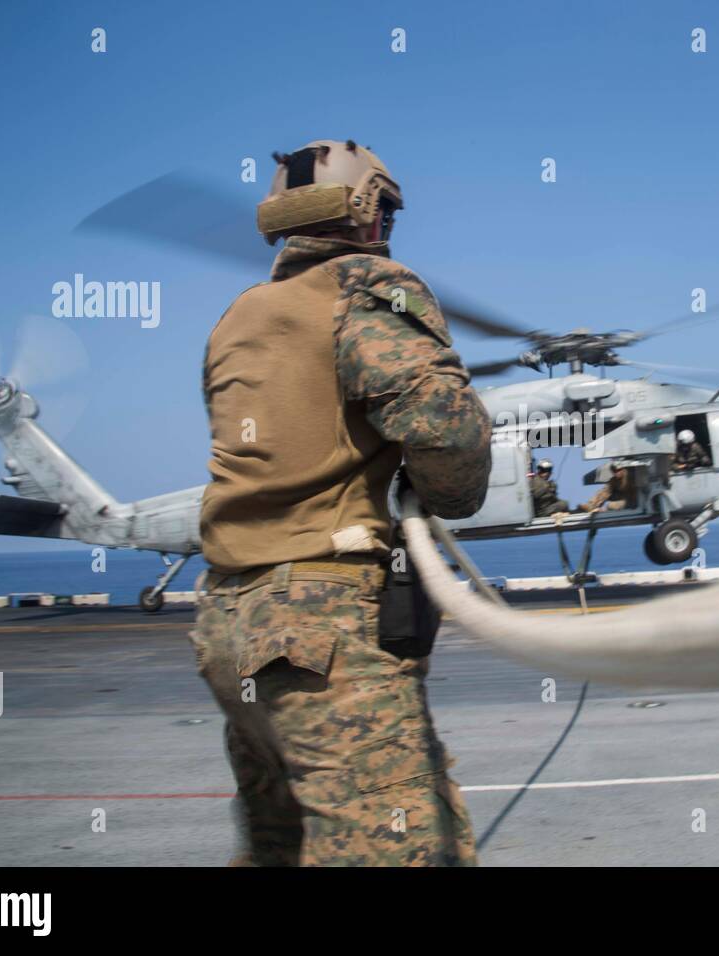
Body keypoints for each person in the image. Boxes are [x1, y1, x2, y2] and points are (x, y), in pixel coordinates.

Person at [192, 139, 491, 867]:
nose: (388, 226)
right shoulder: (366, 286)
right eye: (385, 209)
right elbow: (443, 429)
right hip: (322, 630)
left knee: (280, 846)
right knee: (402, 849)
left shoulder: (242, 315)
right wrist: (448, 489)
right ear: (368, 210)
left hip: (229, 625)